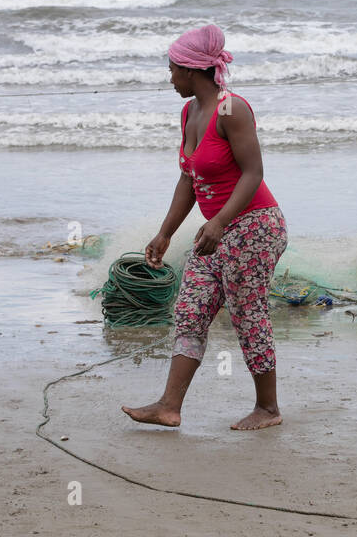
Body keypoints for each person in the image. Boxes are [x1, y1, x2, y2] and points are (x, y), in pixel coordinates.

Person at [122, 24, 288, 431]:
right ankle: (168, 406)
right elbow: (188, 180)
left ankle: (268, 409)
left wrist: (219, 221)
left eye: (173, 69)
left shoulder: (234, 109)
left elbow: (253, 173)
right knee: (190, 311)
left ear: (192, 71)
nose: (170, 77)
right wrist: (165, 233)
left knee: (247, 313)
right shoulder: (188, 111)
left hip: (254, 226)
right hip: (217, 231)